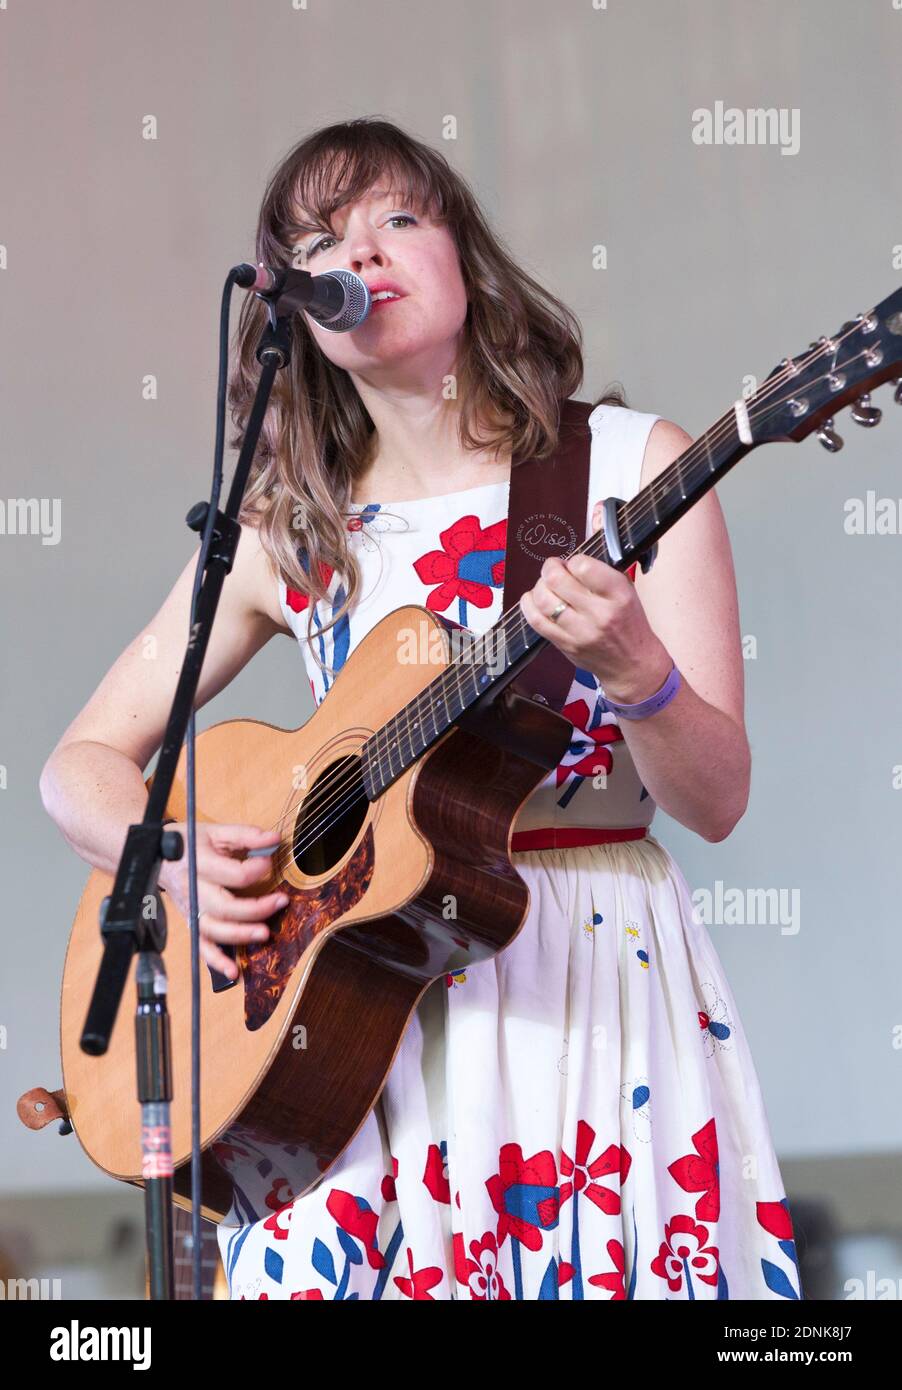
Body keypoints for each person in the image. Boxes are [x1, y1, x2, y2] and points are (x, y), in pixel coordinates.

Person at [40, 117, 800, 1301]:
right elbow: (77, 763)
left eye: (398, 216)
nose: (366, 251)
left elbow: (716, 801)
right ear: (295, 308)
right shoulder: (290, 526)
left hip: (583, 995)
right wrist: (174, 856)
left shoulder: (630, 470)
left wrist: (636, 665)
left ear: (464, 258)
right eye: (321, 240)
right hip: (339, 1033)